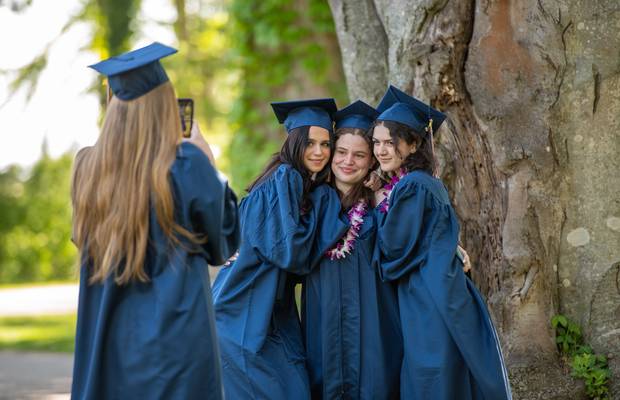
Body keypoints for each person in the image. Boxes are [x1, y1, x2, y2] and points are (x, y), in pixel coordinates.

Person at [70, 42, 240, 400]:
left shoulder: (86, 168)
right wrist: (210, 165)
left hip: (108, 343)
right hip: (176, 350)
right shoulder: (186, 165)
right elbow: (223, 242)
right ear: (165, 106)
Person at [372, 85, 512, 400]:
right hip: (440, 287)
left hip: (429, 294)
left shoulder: (412, 187)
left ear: (413, 143)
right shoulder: (424, 183)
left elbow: (393, 248)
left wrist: (375, 204)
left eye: (390, 142)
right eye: (377, 142)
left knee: (432, 373)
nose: (381, 150)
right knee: (449, 371)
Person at [212, 99, 349, 399]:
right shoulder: (285, 178)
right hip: (244, 320)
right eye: (310, 143)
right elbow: (291, 253)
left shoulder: (288, 181)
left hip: (262, 313)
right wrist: (328, 201)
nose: (319, 152)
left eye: (326, 144)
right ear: (294, 141)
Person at [302, 100, 402, 399]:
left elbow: (416, 240)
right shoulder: (309, 201)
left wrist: (454, 249)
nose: (348, 161)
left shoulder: (384, 203)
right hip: (323, 320)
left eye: (359, 155)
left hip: (375, 323)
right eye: (341, 152)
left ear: (372, 160)